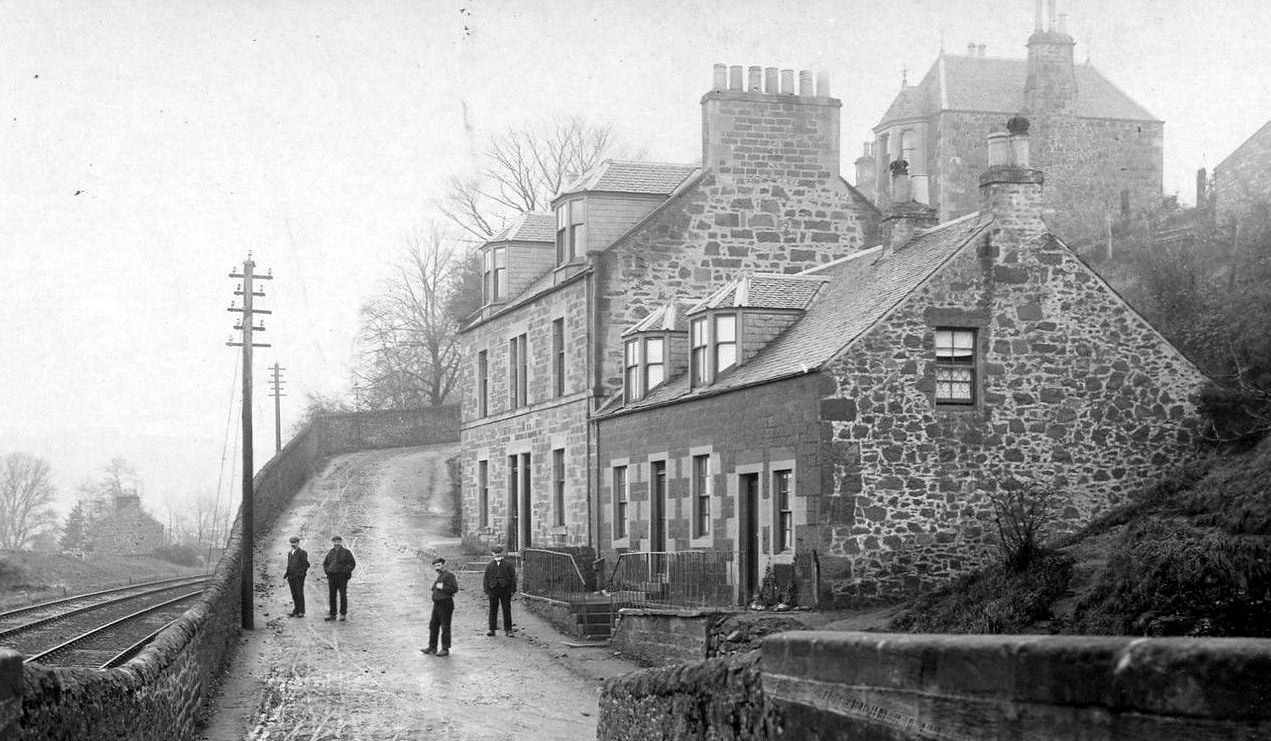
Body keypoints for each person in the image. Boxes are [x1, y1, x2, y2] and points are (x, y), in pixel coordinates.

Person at [421, 556, 459, 657]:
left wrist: (441, 587)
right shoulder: (440, 576)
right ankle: (432, 647)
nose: (437, 567)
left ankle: (445, 648)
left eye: (439, 565)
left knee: (445, 627)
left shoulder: (449, 575)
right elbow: (434, 588)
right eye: (435, 566)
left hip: (446, 604)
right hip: (437, 604)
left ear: (443, 565)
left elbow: (454, 589)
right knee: (433, 626)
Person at [483, 545, 517, 637]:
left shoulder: (508, 564)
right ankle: (492, 629)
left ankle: (508, 629)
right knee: (493, 609)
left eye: (499, 553)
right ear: (492, 554)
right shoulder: (489, 565)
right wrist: (486, 589)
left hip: (505, 589)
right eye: (495, 553)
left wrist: (513, 589)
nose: (497, 555)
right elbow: (486, 578)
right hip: (493, 589)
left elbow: (513, 577)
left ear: (502, 553)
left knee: (506, 609)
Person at [322, 535, 356, 621]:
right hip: (332, 577)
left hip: (342, 577)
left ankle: (343, 614)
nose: (336, 543)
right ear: (332, 542)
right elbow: (325, 563)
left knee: (342, 595)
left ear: (341, 542)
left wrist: (345, 571)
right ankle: (332, 614)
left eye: (338, 541)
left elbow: (352, 563)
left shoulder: (346, 552)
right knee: (332, 596)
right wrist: (328, 572)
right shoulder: (330, 552)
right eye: (334, 542)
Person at [283, 535, 309, 617]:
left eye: (294, 543)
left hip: (299, 577)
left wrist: (301, 574)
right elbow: (289, 565)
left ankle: (301, 611)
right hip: (291, 576)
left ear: (298, 543)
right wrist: (287, 574)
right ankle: (296, 610)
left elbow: (306, 565)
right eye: (291, 543)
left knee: (299, 593)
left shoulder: (302, 553)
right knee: (294, 593)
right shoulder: (290, 553)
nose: (293, 544)